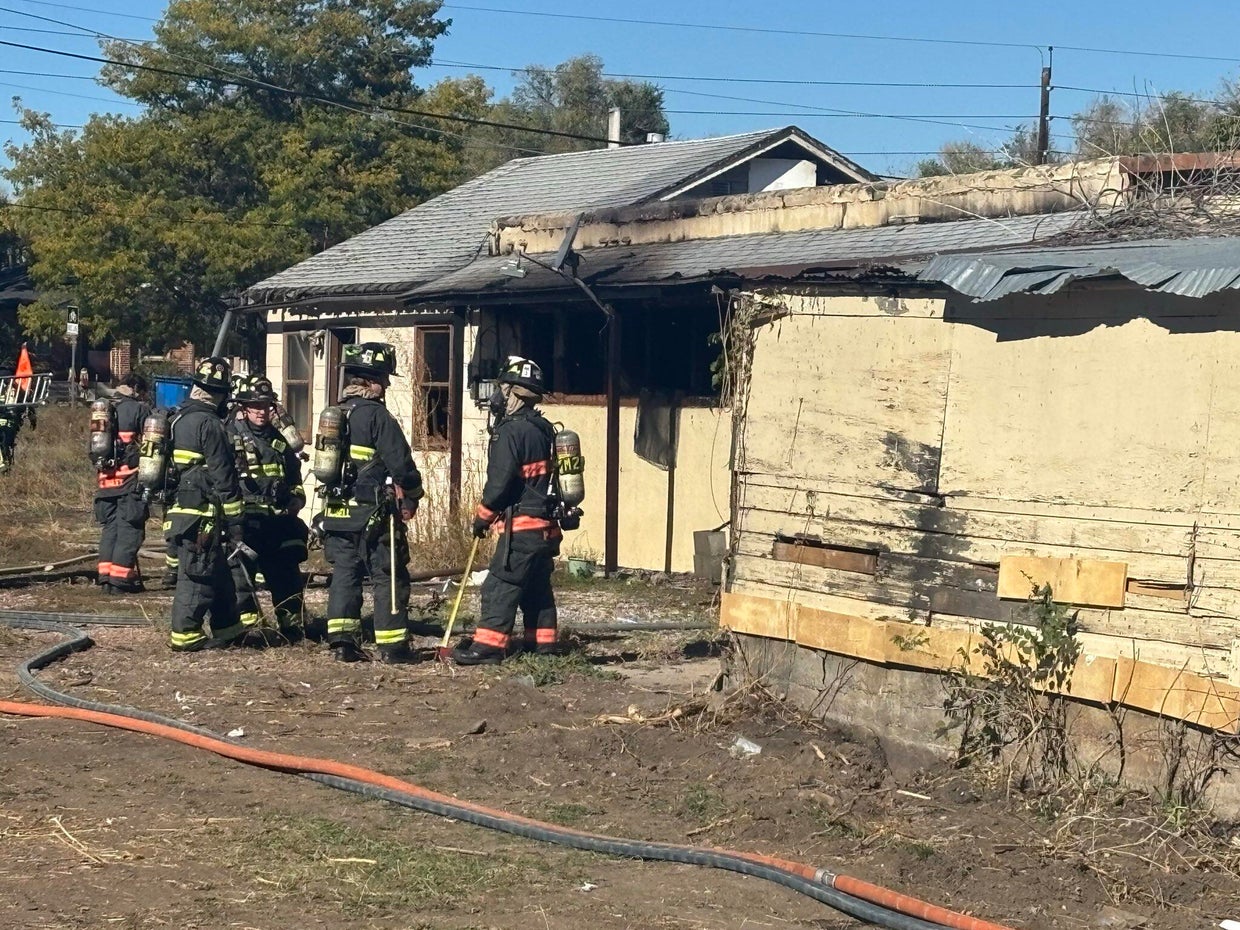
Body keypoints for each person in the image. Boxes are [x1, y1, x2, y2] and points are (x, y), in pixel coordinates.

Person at [452, 356, 563, 666]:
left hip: (523, 527)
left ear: (513, 392)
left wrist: (482, 518)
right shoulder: (544, 428)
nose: (497, 395)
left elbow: (500, 485)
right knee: (537, 589)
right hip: (546, 527)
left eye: (501, 388)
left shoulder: (509, 432)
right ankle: (543, 647)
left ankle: (487, 648)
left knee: (501, 584)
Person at [319, 343, 423, 664]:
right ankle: (392, 647)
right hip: (373, 513)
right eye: (384, 378)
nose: (388, 385)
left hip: (337, 511)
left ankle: (342, 643)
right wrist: (414, 493)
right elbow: (401, 464)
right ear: (371, 381)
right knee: (387, 574)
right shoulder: (377, 416)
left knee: (345, 574)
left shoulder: (335, 415)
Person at [165, 356, 248, 652]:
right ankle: (186, 635)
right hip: (203, 513)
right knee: (198, 575)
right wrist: (237, 520)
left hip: (182, 509)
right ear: (220, 394)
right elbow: (223, 476)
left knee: (218, 573)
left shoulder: (177, 417)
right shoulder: (210, 424)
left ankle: (229, 628)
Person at [226, 374, 308, 640]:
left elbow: (295, 477)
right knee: (241, 578)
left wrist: (295, 498)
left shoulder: (281, 440)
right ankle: (250, 629)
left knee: (286, 575)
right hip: (245, 521)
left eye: (264, 406)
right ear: (243, 408)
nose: (260, 412)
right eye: (254, 406)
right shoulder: (230, 437)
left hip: (276, 521)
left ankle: (291, 625)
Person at [93, 373, 152, 593]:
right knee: (130, 531)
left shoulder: (105, 410)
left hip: (105, 483)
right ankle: (119, 582)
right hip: (130, 481)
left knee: (111, 531)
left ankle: (105, 579)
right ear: (136, 388)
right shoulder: (139, 410)